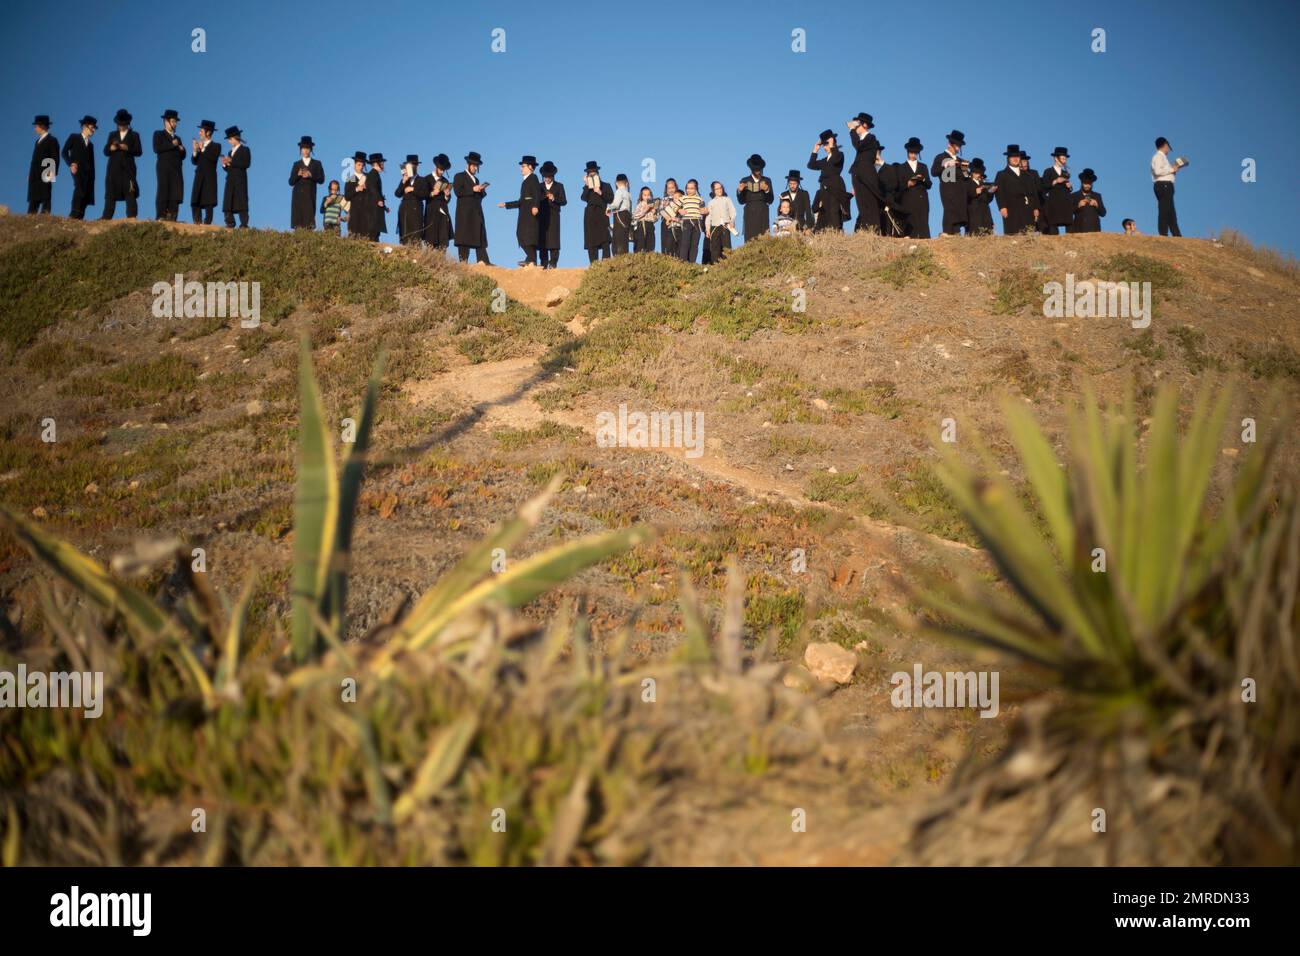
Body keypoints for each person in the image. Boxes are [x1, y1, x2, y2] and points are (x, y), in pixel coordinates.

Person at [500, 154, 542, 266]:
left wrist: (535, 206)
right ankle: (531, 260)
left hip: (530, 214)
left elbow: (537, 193)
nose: (521, 168)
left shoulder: (533, 178)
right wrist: (506, 204)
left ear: (530, 167)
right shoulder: (525, 181)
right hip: (524, 214)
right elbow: (521, 201)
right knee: (521, 236)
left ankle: (531, 260)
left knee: (528, 237)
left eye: (523, 166)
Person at [101, 109, 142, 220]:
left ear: (127, 123)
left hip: (128, 169)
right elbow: (105, 151)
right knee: (110, 192)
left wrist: (128, 148)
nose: (121, 126)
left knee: (130, 191)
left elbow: (139, 151)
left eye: (123, 124)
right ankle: (106, 216)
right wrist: (111, 148)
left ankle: (132, 216)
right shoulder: (112, 135)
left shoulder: (134, 135)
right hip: (113, 169)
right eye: (119, 124)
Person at [808, 129, 848, 232]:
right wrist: (815, 149)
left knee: (834, 213)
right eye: (824, 144)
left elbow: (835, 159)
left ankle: (836, 234)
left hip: (835, 188)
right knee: (823, 214)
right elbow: (811, 165)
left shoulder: (839, 154)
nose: (825, 147)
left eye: (826, 144)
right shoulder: (824, 160)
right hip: (824, 190)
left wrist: (832, 144)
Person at [847, 112, 881, 233]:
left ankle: (875, 230)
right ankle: (866, 230)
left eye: (858, 124)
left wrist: (851, 130)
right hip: (857, 174)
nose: (855, 127)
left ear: (865, 125)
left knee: (870, 202)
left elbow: (858, 145)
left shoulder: (871, 138)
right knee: (861, 204)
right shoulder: (861, 139)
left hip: (867, 175)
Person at [454, 151, 490, 263]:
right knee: (464, 239)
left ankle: (484, 261)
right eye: (474, 165)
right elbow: (458, 192)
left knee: (480, 237)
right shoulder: (459, 176)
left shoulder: (476, 180)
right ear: (468, 164)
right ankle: (463, 263)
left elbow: (478, 197)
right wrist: (472, 189)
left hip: (476, 212)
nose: (475, 168)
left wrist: (481, 190)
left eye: (477, 166)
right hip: (465, 213)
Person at [930, 129, 967, 236]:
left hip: (960, 190)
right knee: (949, 208)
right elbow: (934, 172)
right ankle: (947, 231)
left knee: (959, 210)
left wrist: (965, 169)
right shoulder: (941, 157)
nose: (958, 147)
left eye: (960, 145)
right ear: (950, 144)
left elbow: (965, 176)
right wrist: (946, 165)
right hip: (948, 188)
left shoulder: (961, 160)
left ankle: (956, 232)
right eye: (957, 145)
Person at [894, 137, 931, 238]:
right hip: (908, 199)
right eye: (911, 152)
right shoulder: (901, 167)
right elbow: (898, 186)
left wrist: (923, 179)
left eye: (915, 153)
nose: (913, 155)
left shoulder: (923, 167)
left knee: (923, 222)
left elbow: (929, 184)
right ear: (907, 152)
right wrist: (908, 184)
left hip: (922, 199)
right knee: (910, 223)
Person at [152, 109, 185, 221]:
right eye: (173, 121)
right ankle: (161, 215)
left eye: (176, 122)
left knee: (175, 192)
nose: (175, 124)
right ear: (166, 121)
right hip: (164, 167)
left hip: (176, 168)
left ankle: (172, 216)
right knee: (163, 189)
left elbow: (183, 155)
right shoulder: (158, 134)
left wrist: (182, 149)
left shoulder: (178, 138)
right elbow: (157, 148)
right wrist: (172, 144)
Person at [993, 144, 1031, 235]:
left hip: (1025, 207)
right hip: (1010, 208)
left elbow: (1031, 192)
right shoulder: (1001, 174)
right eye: (1012, 156)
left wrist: (1033, 207)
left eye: (1017, 156)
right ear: (1008, 158)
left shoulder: (1026, 175)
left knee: (1026, 234)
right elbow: (999, 192)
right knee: (1012, 234)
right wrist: (1002, 206)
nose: (1015, 158)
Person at [1150, 136, 1184, 237]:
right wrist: (1172, 169)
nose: (1168, 149)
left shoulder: (1162, 158)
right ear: (1165, 145)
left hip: (1167, 185)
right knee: (1165, 209)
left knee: (1170, 210)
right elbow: (1157, 171)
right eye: (1168, 147)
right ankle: (1163, 233)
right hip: (1163, 185)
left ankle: (1176, 234)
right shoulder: (1158, 157)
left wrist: (1173, 171)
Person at [289, 136, 325, 230]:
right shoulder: (296, 164)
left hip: (310, 194)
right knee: (298, 222)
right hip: (298, 196)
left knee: (309, 222)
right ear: (300, 149)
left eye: (307, 148)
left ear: (311, 149)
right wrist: (298, 174)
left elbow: (322, 179)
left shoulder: (317, 163)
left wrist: (311, 175)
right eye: (303, 148)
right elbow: (291, 182)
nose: (305, 151)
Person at [580, 161, 613, 263]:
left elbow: (611, 199)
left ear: (598, 173)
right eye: (590, 173)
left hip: (602, 214)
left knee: (605, 239)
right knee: (591, 241)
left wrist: (600, 192)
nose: (592, 174)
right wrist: (586, 185)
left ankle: (606, 262)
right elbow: (583, 198)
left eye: (594, 172)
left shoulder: (606, 185)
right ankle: (593, 264)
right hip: (590, 215)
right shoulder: (587, 188)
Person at [737, 153, 773, 241]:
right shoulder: (744, 180)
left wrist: (767, 189)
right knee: (750, 240)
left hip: (763, 213)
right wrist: (739, 191)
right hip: (750, 213)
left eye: (759, 169)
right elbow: (741, 201)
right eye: (756, 169)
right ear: (751, 169)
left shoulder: (767, 180)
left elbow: (771, 200)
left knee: (764, 240)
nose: (758, 171)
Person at [189, 119, 219, 224]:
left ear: (208, 132)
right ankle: (197, 221)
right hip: (199, 176)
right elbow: (194, 161)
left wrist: (202, 150)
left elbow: (213, 158)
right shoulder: (201, 146)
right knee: (195, 200)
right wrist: (195, 151)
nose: (199, 133)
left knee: (208, 201)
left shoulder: (216, 146)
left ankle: (207, 223)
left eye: (201, 131)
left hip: (209, 177)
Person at [220, 125, 251, 228]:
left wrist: (231, 161)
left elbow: (246, 163)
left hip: (240, 180)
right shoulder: (229, 152)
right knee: (228, 201)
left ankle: (244, 224)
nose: (229, 141)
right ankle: (229, 222)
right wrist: (225, 164)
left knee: (242, 201)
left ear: (236, 138)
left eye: (230, 139)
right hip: (230, 180)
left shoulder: (245, 150)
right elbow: (229, 168)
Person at [27, 115, 59, 214]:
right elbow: (34, 159)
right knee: (33, 195)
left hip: (46, 170)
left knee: (45, 194)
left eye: (36, 125)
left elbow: (55, 157)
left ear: (42, 126)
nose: (35, 128)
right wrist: (30, 173)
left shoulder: (52, 140)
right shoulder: (37, 142)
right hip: (35, 173)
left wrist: (52, 171)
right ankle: (31, 214)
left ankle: (45, 214)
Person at [1040, 147, 1073, 235]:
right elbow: (1044, 186)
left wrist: (1069, 186)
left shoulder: (1065, 172)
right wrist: (1055, 181)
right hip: (1053, 201)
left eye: (1065, 159)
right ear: (1056, 158)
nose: (1064, 161)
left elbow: (1069, 189)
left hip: (1065, 200)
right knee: (1053, 222)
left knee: (1068, 222)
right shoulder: (1048, 171)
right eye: (1062, 158)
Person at [423, 153, 454, 249]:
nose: (442, 172)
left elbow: (447, 200)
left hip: (443, 212)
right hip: (431, 212)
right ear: (436, 167)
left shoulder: (445, 180)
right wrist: (432, 193)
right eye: (441, 169)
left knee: (443, 241)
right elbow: (423, 194)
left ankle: (442, 262)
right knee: (431, 241)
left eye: (443, 170)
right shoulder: (426, 179)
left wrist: (447, 195)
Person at [537, 160, 564, 268]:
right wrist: (544, 197)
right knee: (542, 240)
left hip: (554, 216)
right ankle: (543, 263)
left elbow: (564, 201)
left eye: (549, 176)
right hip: (542, 216)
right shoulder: (538, 186)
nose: (547, 178)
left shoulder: (559, 186)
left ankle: (553, 263)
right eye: (545, 176)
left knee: (554, 241)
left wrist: (554, 198)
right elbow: (535, 200)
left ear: (553, 176)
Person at [395, 154, 427, 245]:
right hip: (404, 210)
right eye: (409, 166)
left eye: (413, 165)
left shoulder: (422, 180)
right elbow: (397, 194)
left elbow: (425, 194)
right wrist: (403, 181)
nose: (411, 167)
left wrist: (413, 189)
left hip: (416, 211)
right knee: (405, 236)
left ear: (417, 166)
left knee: (416, 237)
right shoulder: (405, 180)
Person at [705, 181, 738, 262]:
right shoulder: (710, 202)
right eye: (717, 189)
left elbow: (733, 212)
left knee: (726, 247)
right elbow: (708, 217)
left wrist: (732, 221)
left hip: (725, 226)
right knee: (715, 248)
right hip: (714, 227)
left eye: (720, 188)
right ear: (713, 190)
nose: (719, 190)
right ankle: (715, 267)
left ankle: (728, 265)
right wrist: (708, 228)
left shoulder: (727, 199)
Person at [675, 180, 707, 262]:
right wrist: (679, 210)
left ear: (696, 189)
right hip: (687, 221)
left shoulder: (700, 199)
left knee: (695, 244)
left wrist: (704, 211)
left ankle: (692, 262)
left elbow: (703, 209)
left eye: (692, 188)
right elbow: (675, 207)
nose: (689, 190)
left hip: (697, 222)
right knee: (685, 243)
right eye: (688, 188)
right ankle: (683, 262)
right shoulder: (683, 198)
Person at [1068, 168, 1106, 233]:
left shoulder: (1097, 195)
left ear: (1092, 184)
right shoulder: (1074, 195)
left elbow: (1103, 213)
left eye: (1089, 184)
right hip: (1079, 229)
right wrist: (1078, 206)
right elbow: (1068, 213)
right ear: (1082, 183)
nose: (1087, 186)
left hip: (1094, 229)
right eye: (1085, 183)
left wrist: (1097, 205)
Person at [966, 159, 997, 235]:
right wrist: (975, 192)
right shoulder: (967, 182)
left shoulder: (983, 183)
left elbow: (987, 200)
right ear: (972, 172)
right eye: (976, 172)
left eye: (979, 173)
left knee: (987, 234)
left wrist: (991, 192)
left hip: (985, 213)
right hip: (973, 213)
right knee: (975, 234)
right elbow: (964, 196)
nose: (978, 175)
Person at [345, 152, 372, 239]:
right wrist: (356, 189)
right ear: (354, 165)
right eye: (359, 165)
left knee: (365, 235)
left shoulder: (368, 177)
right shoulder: (351, 178)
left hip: (366, 210)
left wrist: (367, 188)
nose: (361, 167)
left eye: (362, 165)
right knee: (354, 234)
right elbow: (347, 196)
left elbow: (373, 193)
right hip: (355, 211)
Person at [607, 173, 632, 255]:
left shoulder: (619, 191)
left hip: (619, 216)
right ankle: (624, 257)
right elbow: (630, 209)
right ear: (627, 183)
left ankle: (617, 259)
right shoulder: (628, 194)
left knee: (617, 239)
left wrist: (608, 209)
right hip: (627, 217)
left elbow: (616, 204)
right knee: (624, 239)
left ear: (616, 183)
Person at [366, 153, 388, 240]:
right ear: (375, 163)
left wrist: (385, 206)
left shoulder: (375, 174)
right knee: (373, 229)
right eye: (381, 162)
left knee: (376, 230)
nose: (383, 164)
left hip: (376, 205)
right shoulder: (373, 174)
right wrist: (378, 200)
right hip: (373, 207)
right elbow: (372, 188)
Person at [632, 185, 657, 252]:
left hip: (650, 225)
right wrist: (646, 209)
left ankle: (650, 257)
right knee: (641, 244)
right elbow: (635, 216)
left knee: (650, 244)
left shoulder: (653, 205)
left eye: (648, 195)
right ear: (642, 196)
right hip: (642, 224)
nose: (647, 197)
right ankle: (639, 258)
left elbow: (655, 219)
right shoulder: (640, 204)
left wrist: (654, 213)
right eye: (645, 195)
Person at [658, 179, 680, 256]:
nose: (671, 190)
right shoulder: (663, 200)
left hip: (676, 222)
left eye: (672, 187)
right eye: (669, 188)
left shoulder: (680, 198)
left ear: (676, 187)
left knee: (676, 243)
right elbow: (660, 211)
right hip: (665, 222)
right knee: (665, 243)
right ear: (666, 189)